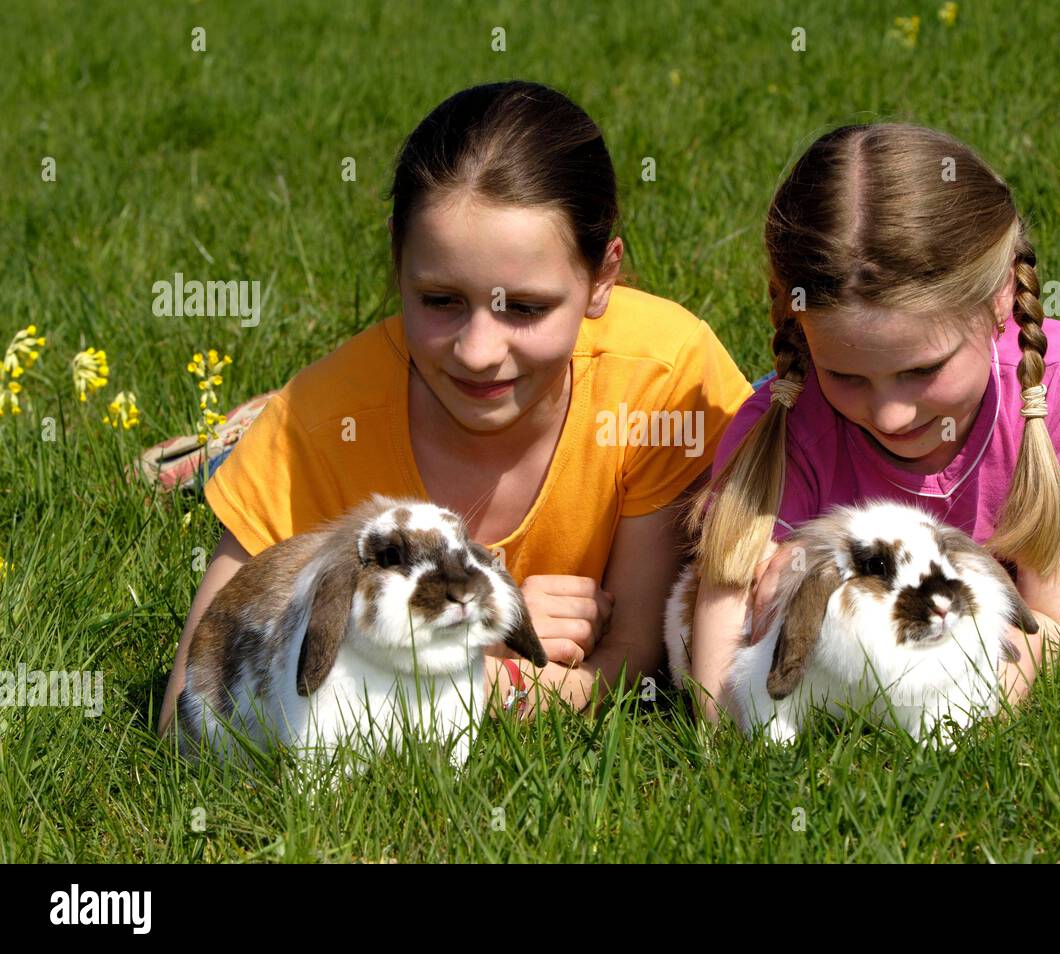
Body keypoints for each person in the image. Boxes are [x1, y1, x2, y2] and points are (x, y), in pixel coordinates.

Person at [156, 80, 753, 737]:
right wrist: (477, 661)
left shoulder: (662, 381)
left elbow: (632, 655)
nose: (476, 352)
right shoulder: (313, 429)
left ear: (603, 279)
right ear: (396, 258)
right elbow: (188, 710)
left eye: (525, 309)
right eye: (440, 300)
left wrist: (499, 679)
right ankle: (233, 445)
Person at [684, 123, 1060, 724]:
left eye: (922, 369)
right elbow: (715, 692)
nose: (890, 414)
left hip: (1048, 447)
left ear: (1000, 298)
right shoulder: (778, 431)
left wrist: (932, 719)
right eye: (847, 375)